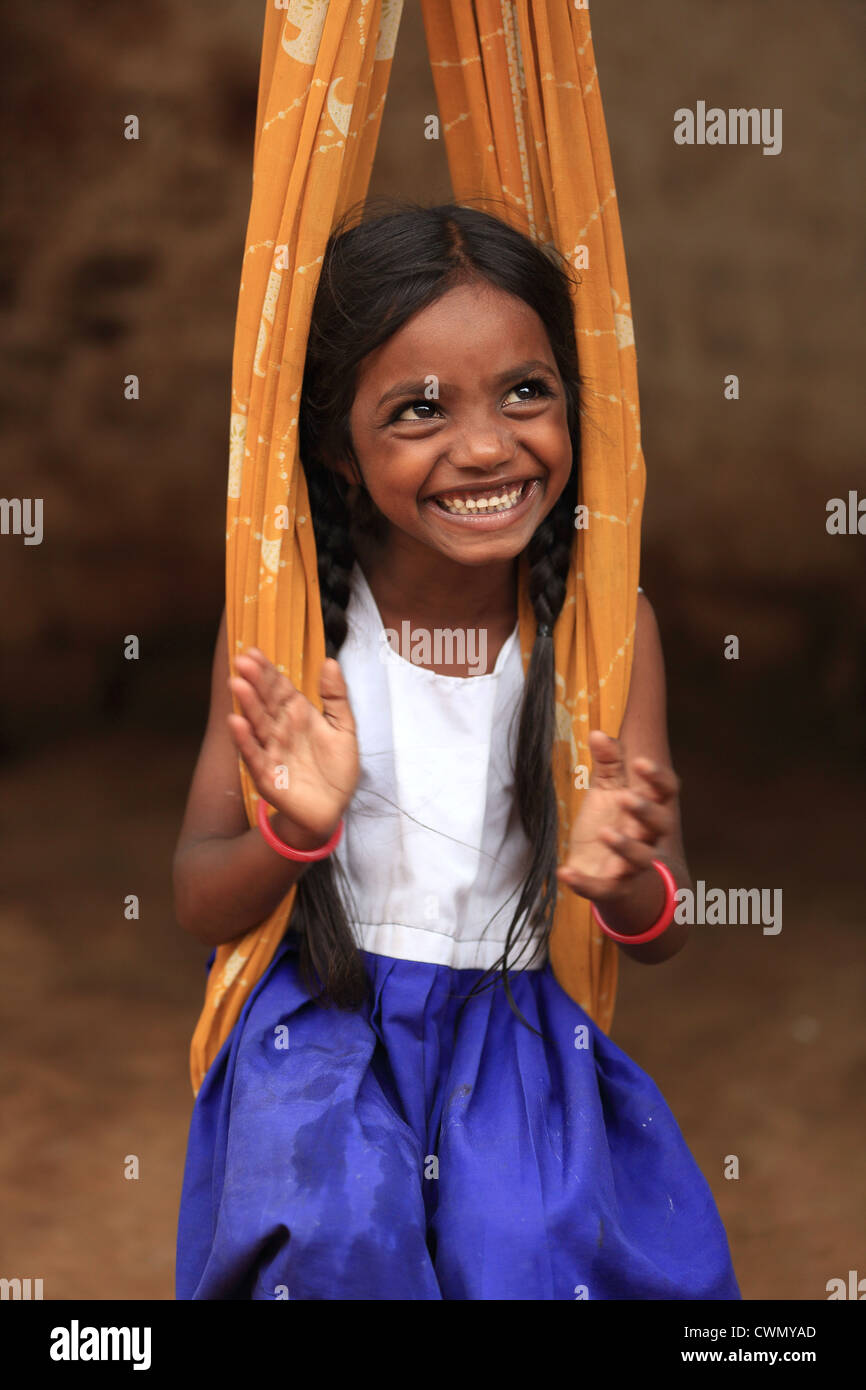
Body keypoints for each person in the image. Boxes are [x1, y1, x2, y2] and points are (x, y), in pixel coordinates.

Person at [173, 202, 741, 1301]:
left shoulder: (600, 634)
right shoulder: (290, 632)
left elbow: (663, 926)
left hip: (513, 1041)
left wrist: (625, 882)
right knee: (336, 1237)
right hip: (323, 1036)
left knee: (524, 1253)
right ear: (337, 451)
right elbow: (198, 895)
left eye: (525, 391)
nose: (484, 445)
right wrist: (293, 834)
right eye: (418, 410)